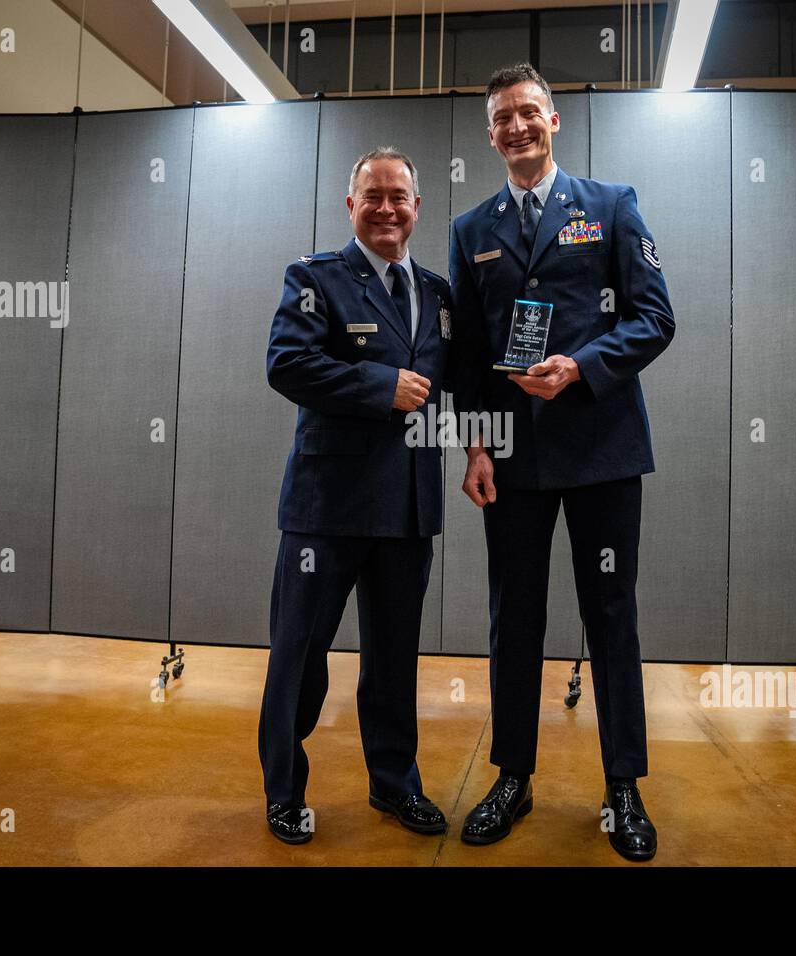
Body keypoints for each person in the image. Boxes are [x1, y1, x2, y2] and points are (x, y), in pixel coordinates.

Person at [448, 64, 676, 861]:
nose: (516, 127)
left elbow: (656, 319)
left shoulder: (612, 206)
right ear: (491, 134)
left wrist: (580, 367)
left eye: (528, 113)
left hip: (602, 448)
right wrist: (474, 444)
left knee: (611, 613)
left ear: (555, 122)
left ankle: (622, 786)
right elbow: (470, 355)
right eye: (502, 117)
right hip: (511, 457)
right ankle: (513, 776)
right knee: (515, 615)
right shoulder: (472, 228)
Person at [259, 146, 454, 844]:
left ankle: (395, 785)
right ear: (352, 206)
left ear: (416, 208)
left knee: (395, 657)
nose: (386, 208)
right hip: (326, 509)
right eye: (372, 195)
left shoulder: (436, 292)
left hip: (408, 507)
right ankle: (285, 791)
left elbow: (462, 379)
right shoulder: (314, 277)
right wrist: (379, 387)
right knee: (300, 654)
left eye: (398, 196)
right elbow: (287, 363)